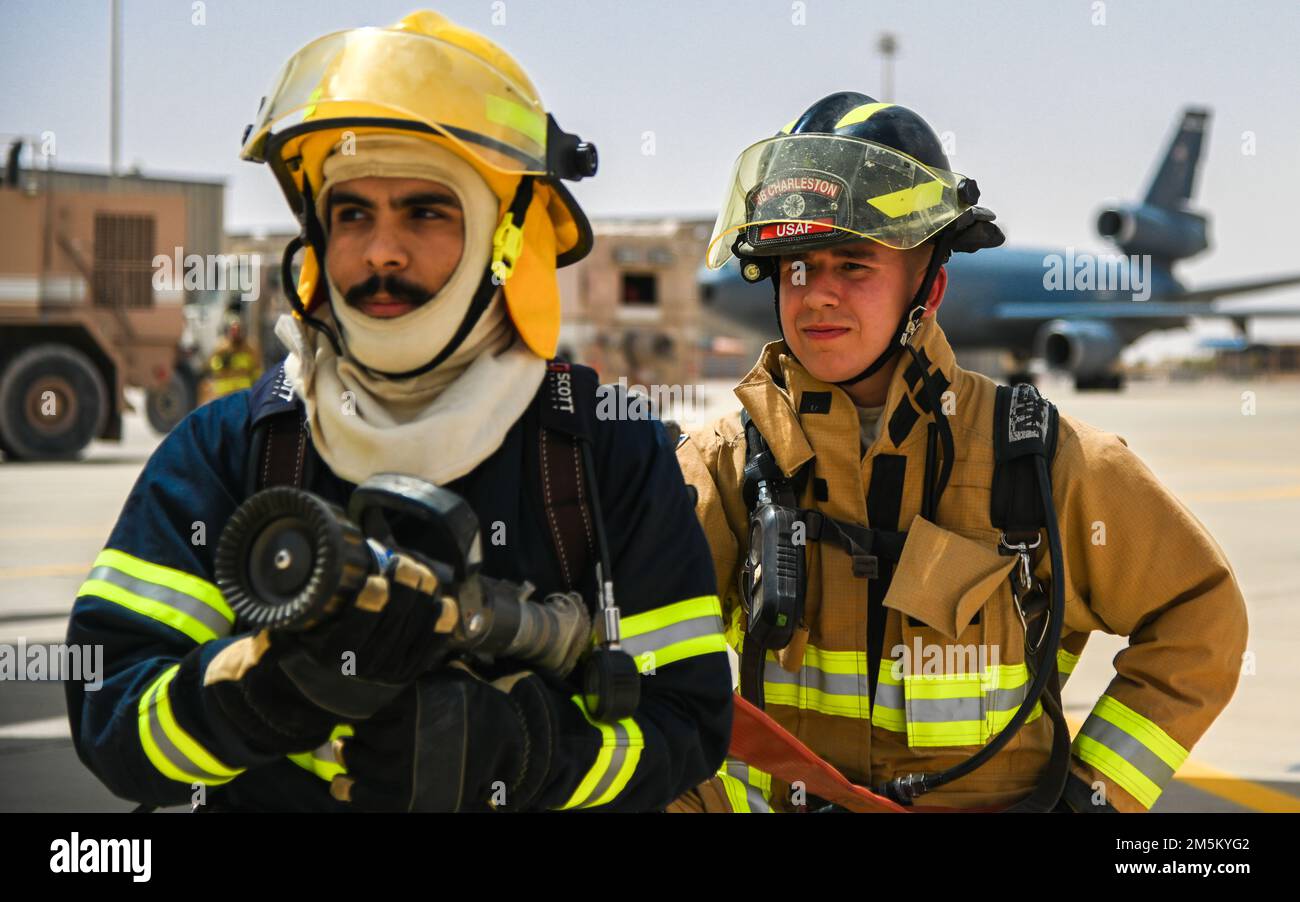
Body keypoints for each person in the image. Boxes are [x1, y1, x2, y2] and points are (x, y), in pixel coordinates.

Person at [64, 10, 731, 812]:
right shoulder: (228, 449)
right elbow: (111, 722)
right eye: (352, 214)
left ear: (500, 239)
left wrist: (523, 753)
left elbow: (687, 724)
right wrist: (254, 694)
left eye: (425, 212)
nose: (382, 251)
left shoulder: (604, 451)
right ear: (315, 233)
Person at [670, 92, 1247, 812]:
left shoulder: (1041, 460)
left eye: (853, 264)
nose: (817, 294)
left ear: (930, 284)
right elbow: (635, 664)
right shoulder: (725, 467)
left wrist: (1091, 799)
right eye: (796, 266)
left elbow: (1201, 615)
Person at [202, 315, 261, 401]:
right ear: (228, 332)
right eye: (233, 330)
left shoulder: (250, 349)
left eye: (238, 330)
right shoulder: (221, 349)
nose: (235, 333)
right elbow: (212, 367)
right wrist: (222, 363)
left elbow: (257, 372)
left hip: (244, 395)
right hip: (224, 396)